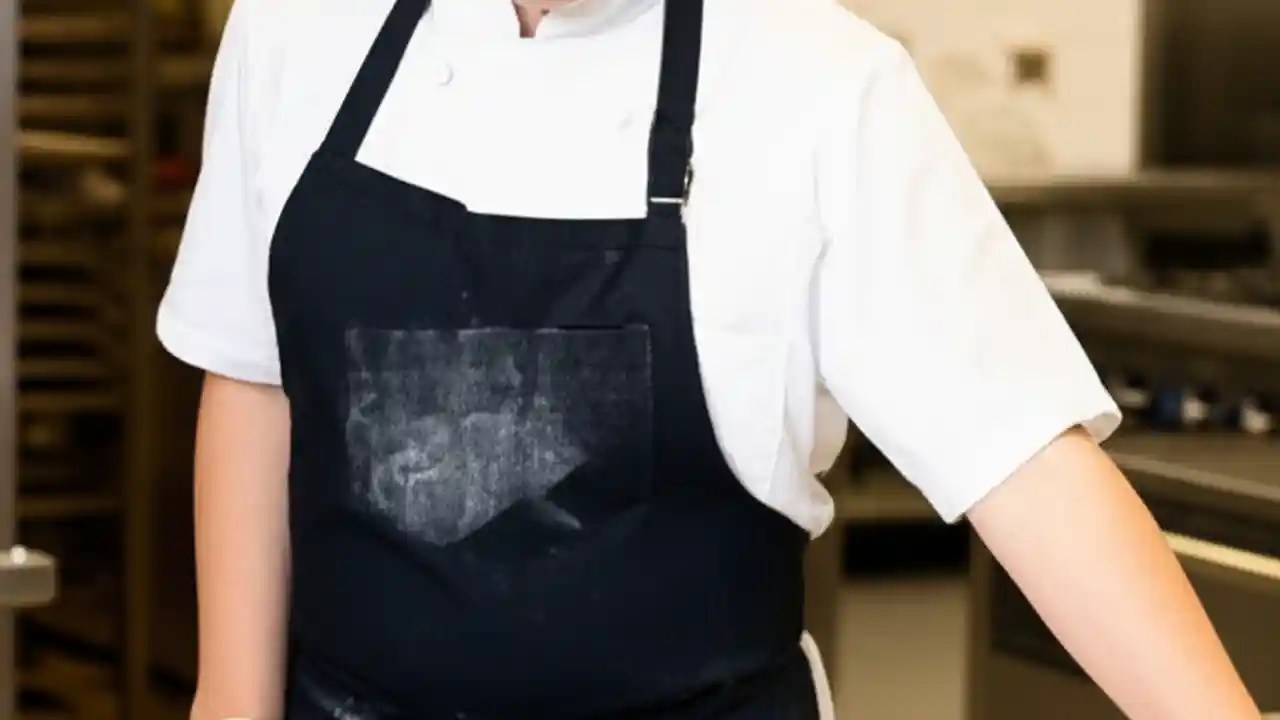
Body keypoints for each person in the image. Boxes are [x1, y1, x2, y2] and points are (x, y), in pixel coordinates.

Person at [157, 0, 1263, 718]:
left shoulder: (817, 81)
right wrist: (230, 698)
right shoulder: (295, 31)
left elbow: (1022, 459)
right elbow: (253, 375)